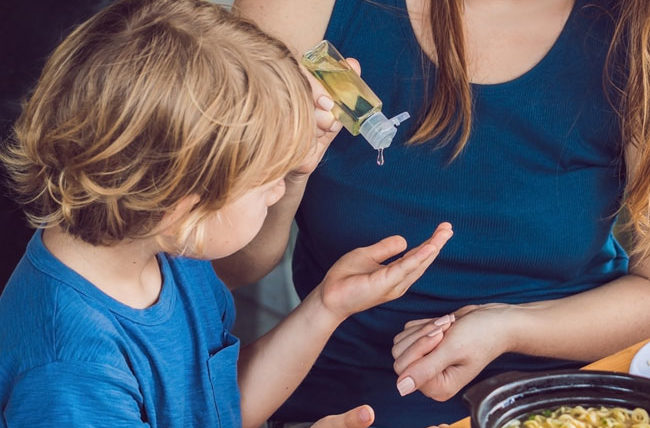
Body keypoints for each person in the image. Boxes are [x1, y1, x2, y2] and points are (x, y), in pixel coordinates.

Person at [0, 0, 455, 426]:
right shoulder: (72, 371)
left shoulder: (165, 255)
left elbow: (216, 410)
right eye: (267, 180)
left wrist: (327, 306)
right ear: (184, 206)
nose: (280, 189)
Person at [213, 0, 650, 426]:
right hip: (350, 404)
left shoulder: (633, 27)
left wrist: (510, 327)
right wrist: (288, 172)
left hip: (574, 399)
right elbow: (227, 262)